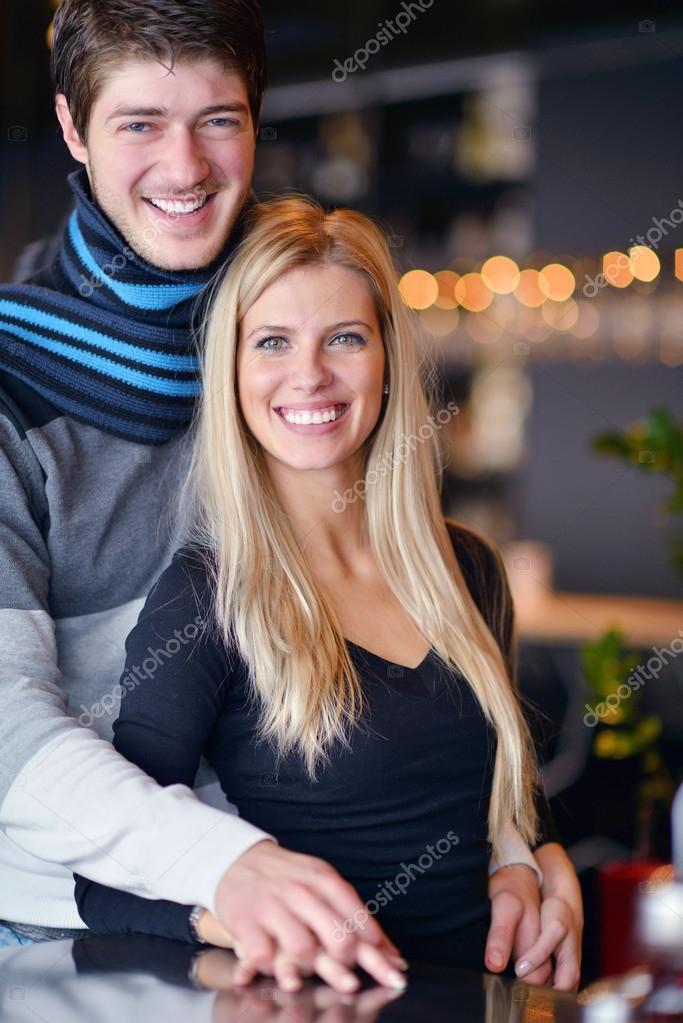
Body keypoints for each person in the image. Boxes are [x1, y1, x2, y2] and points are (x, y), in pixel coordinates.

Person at [0, 0, 581, 992]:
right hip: (94, 933)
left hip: (324, 935)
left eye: (216, 120)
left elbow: (442, 738)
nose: (184, 170)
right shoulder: (20, 381)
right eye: (139, 122)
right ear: (71, 128)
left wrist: (522, 849)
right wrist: (213, 866)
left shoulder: (290, 295)